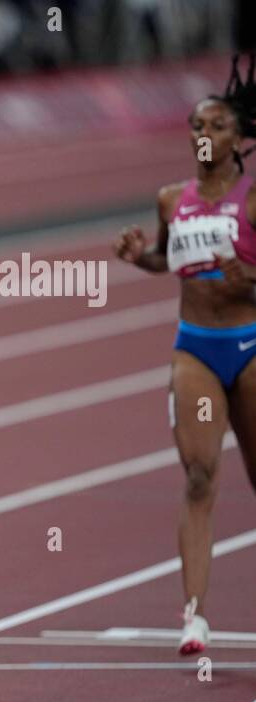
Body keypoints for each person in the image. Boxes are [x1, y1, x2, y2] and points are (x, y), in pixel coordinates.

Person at [114, 56, 256, 655]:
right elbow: (168, 259)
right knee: (199, 477)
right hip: (195, 347)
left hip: (249, 347)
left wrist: (247, 273)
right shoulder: (173, 199)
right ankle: (194, 618)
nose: (204, 135)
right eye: (197, 126)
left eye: (217, 126)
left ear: (239, 139)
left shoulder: (252, 200)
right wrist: (139, 254)